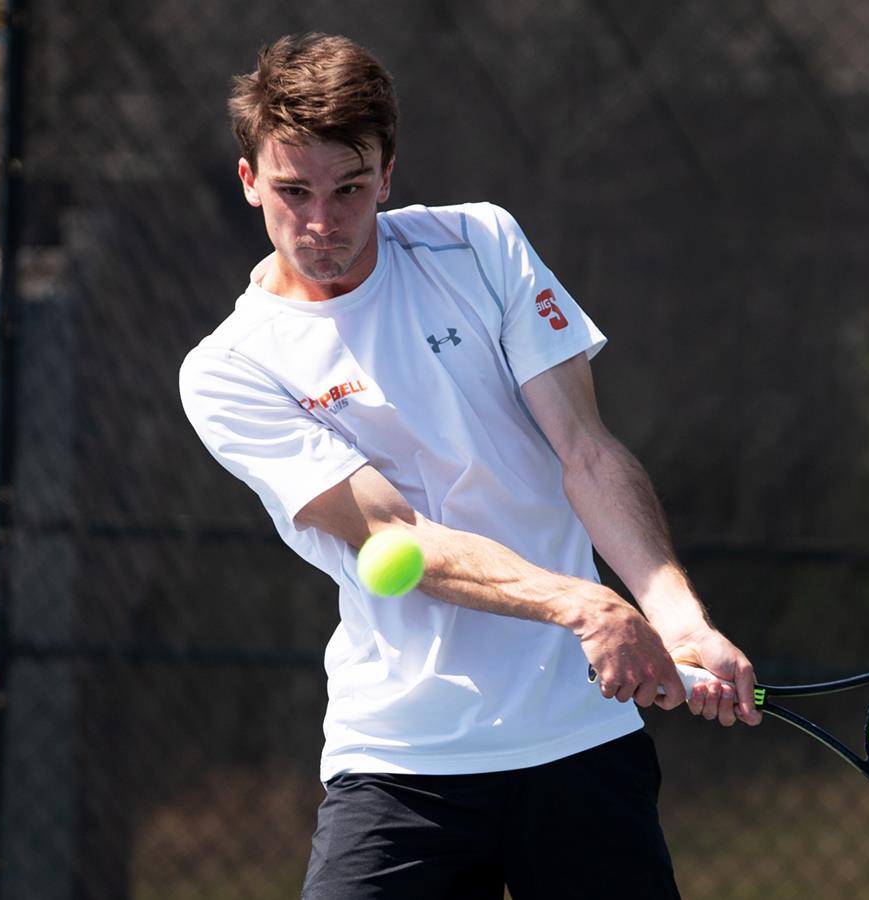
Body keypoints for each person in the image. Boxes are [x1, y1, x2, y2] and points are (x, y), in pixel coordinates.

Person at [178, 32, 759, 900]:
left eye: (350, 188)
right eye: (293, 191)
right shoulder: (230, 369)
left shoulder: (480, 246)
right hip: (401, 760)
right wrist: (586, 603)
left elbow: (588, 452)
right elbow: (395, 534)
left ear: (388, 175)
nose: (321, 223)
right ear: (250, 181)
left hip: (580, 743)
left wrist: (675, 614)